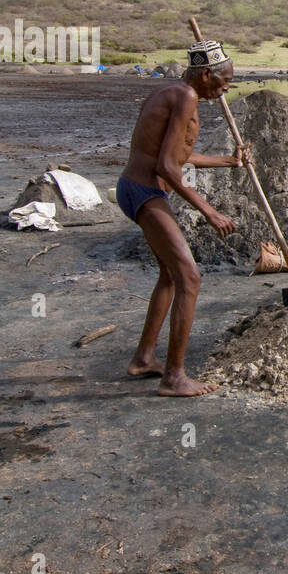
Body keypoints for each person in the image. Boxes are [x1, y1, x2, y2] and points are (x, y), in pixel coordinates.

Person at [117, 40, 248, 397]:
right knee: (190, 277)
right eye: (223, 82)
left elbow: (179, 155)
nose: (225, 90)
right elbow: (166, 167)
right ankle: (174, 377)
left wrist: (229, 161)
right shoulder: (185, 96)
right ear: (205, 74)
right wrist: (209, 211)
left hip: (136, 189)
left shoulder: (178, 94)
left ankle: (144, 357)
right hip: (144, 192)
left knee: (170, 277)